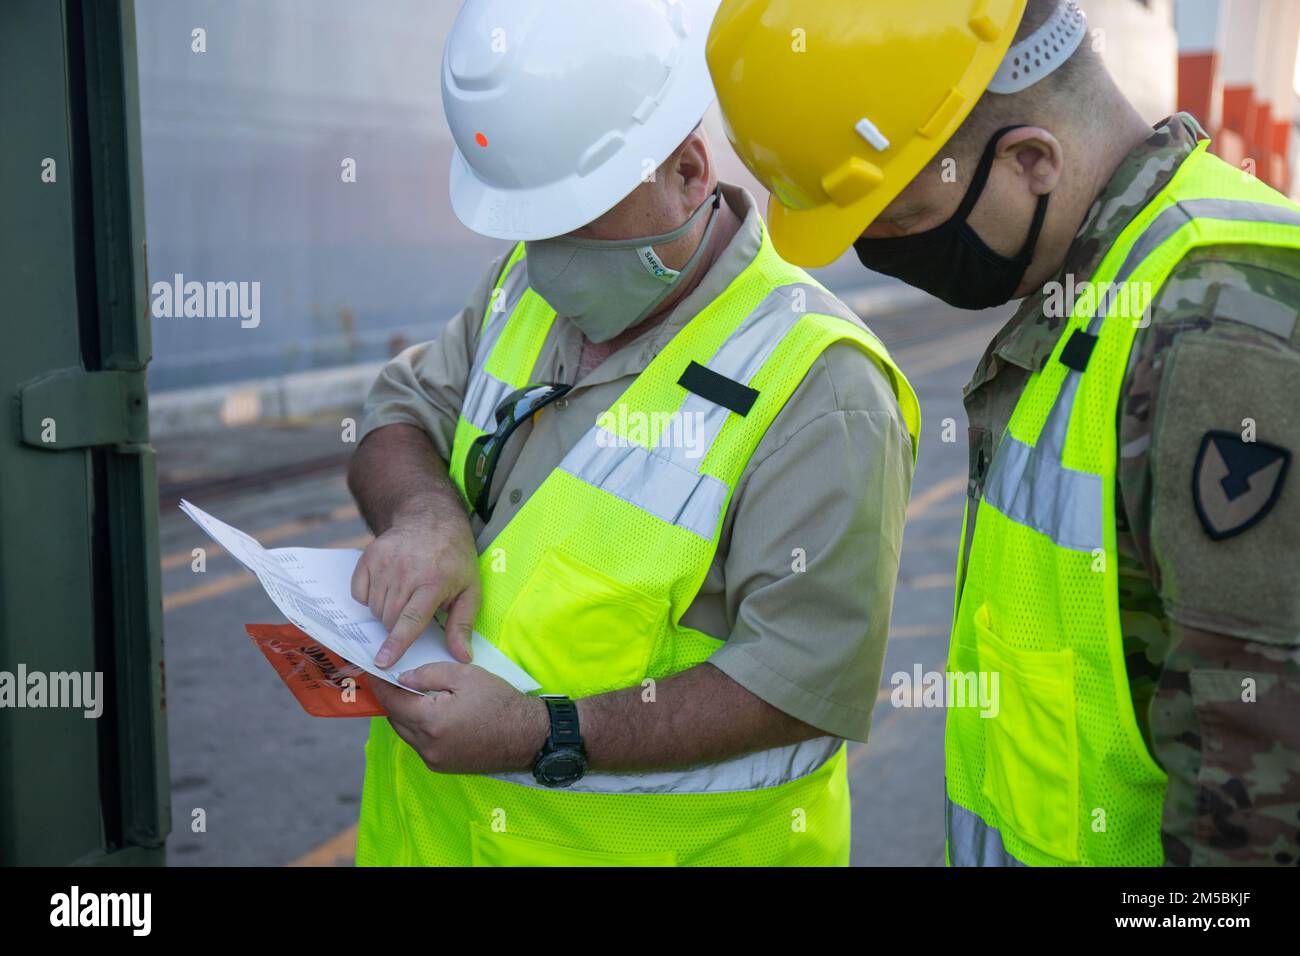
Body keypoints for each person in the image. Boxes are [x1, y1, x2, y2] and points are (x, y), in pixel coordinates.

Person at [706, 0, 1300, 866]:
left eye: (903, 225)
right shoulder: (1090, 295)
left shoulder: (1216, 334)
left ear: (1030, 161)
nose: (887, 257)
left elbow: (1258, 819)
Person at [345, 0, 919, 866]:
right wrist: (426, 514)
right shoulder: (524, 286)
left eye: (580, 227)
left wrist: (545, 732)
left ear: (689, 170)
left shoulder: (821, 385)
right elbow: (397, 417)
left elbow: (801, 685)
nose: (550, 263)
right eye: (530, 229)